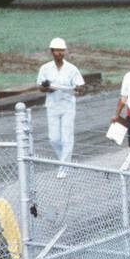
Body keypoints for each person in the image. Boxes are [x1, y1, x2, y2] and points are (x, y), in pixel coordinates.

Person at [37, 37, 85, 177]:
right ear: (52, 52)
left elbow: (80, 86)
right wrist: (47, 88)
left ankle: (64, 168)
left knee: (66, 137)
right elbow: (40, 86)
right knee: (53, 138)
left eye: (62, 50)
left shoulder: (71, 68)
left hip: (67, 105)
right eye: (57, 50)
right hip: (52, 105)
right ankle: (66, 161)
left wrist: (77, 88)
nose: (59, 53)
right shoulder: (45, 68)